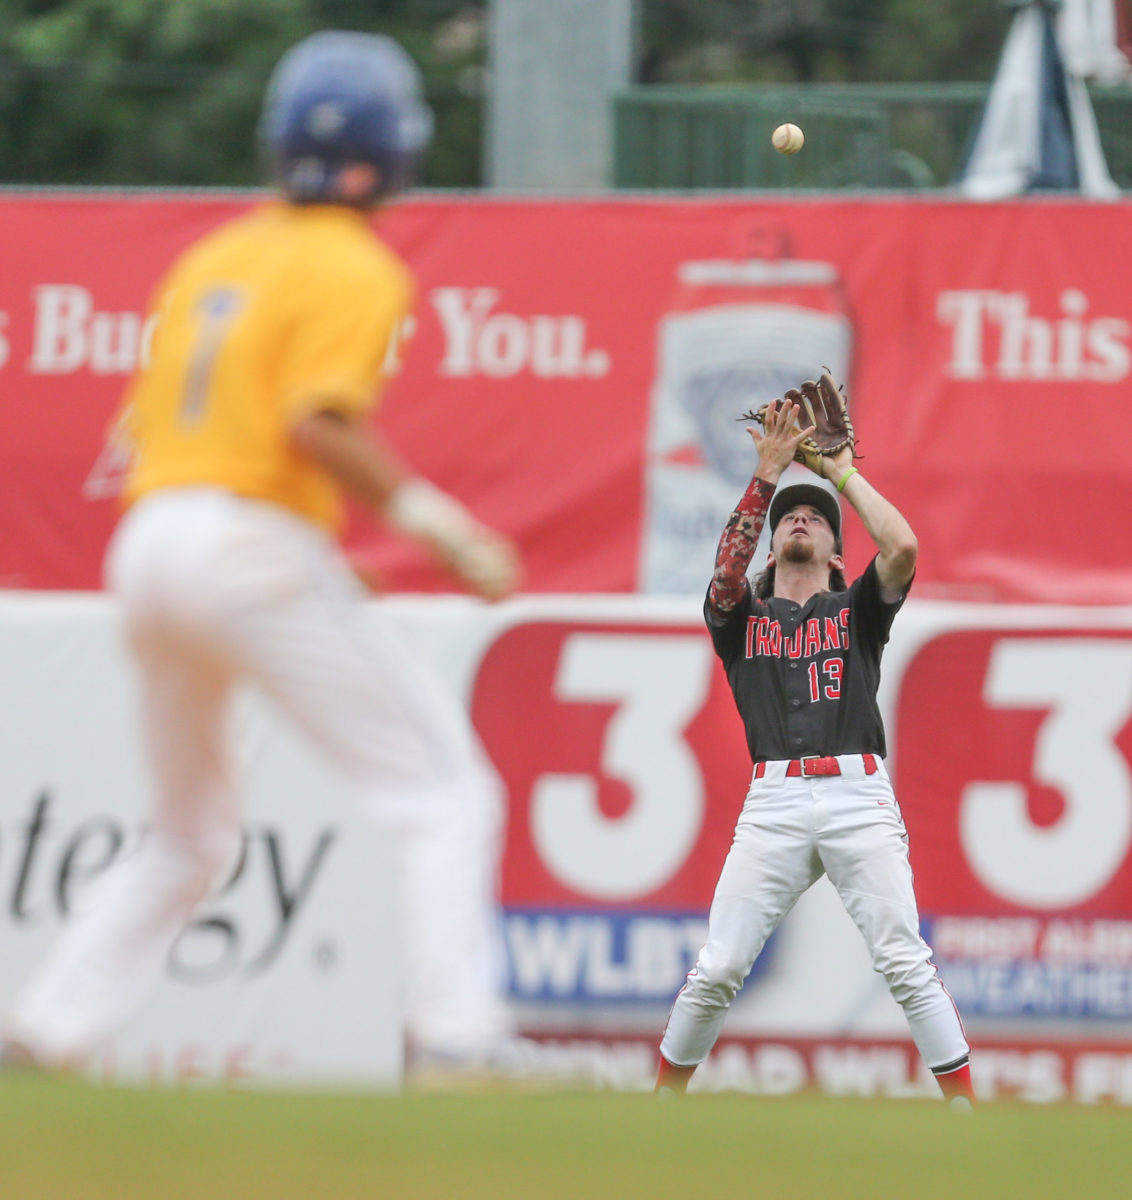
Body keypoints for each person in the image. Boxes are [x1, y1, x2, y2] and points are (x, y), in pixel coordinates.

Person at [0, 31, 522, 1083]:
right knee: (444, 796)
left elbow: (170, 434)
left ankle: (44, 1032)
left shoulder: (216, 255)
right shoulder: (355, 262)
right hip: (245, 544)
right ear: (397, 154)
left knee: (187, 835)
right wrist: (440, 527)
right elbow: (316, 423)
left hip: (152, 541)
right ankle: (458, 1040)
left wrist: (309, 558)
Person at [653, 394, 976, 1108]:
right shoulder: (743, 620)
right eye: (789, 518)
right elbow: (725, 579)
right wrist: (767, 475)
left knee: (904, 959)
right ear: (773, 548)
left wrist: (845, 477)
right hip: (773, 801)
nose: (802, 518)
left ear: (837, 555)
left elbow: (905, 549)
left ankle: (965, 1112)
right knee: (719, 966)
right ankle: (662, 1106)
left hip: (857, 793)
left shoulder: (856, 611)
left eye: (818, 519)